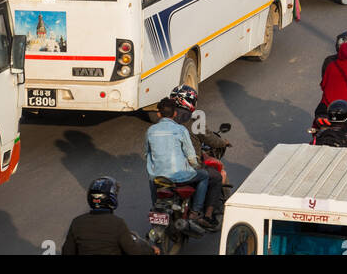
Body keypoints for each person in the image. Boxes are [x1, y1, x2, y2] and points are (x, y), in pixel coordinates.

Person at [144, 97, 209, 231]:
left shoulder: (150, 131)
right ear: (175, 114)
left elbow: (147, 153)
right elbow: (191, 156)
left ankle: (156, 206)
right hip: (180, 176)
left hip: (158, 177)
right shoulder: (180, 130)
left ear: (158, 114)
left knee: (152, 179)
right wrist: (195, 166)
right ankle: (195, 212)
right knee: (204, 176)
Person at [170, 84, 227, 226]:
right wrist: (223, 142)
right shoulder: (193, 120)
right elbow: (210, 139)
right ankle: (204, 215)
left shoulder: (165, 120)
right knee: (216, 177)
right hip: (187, 168)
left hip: (165, 167)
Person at [61, 177, 157, 256]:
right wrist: (152, 251)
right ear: (112, 199)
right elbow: (134, 251)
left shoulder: (77, 222)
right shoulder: (117, 223)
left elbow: (67, 252)